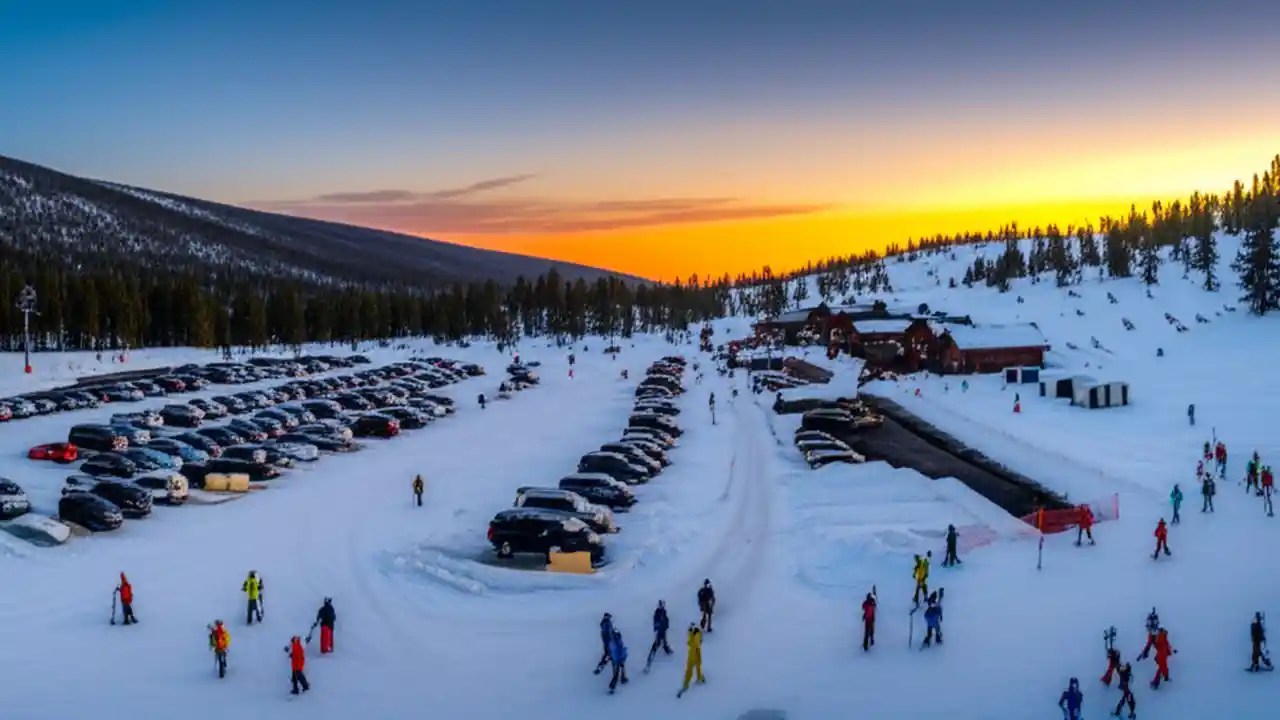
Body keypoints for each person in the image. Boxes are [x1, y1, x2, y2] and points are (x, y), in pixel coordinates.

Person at [677, 624, 705, 698]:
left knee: (692, 667)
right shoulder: (697, 633)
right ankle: (694, 680)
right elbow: (697, 643)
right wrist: (699, 641)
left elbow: (692, 641)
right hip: (695, 651)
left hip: (692, 651)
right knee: (695, 666)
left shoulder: (691, 632)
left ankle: (689, 682)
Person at [647, 600, 672, 668]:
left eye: (663, 605)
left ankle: (668, 651)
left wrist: (666, 626)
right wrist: (657, 628)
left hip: (663, 629)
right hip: (659, 630)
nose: (663, 606)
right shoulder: (657, 612)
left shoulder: (664, 611)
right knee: (657, 643)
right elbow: (655, 621)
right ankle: (650, 657)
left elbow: (666, 619)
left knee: (664, 642)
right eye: (662, 605)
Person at [607, 630, 629, 694]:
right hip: (619, 659)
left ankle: (623, 678)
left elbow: (611, 650)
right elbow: (620, 651)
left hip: (614, 659)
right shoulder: (618, 642)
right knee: (617, 673)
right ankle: (612, 687)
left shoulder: (611, 642)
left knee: (619, 670)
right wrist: (623, 656)